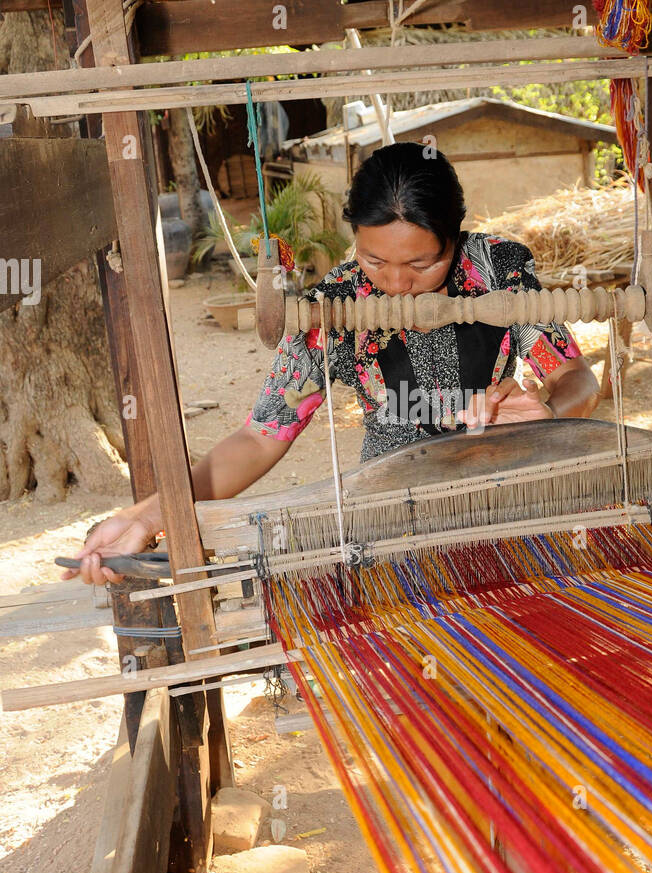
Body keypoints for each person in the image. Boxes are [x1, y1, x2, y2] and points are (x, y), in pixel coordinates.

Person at [66, 143, 599, 587]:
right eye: (374, 260)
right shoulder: (334, 304)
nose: (395, 283)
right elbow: (259, 435)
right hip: (390, 509)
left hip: (509, 486)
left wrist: (545, 409)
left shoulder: (498, 268)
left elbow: (577, 379)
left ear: (454, 237)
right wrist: (152, 514)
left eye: (421, 263)